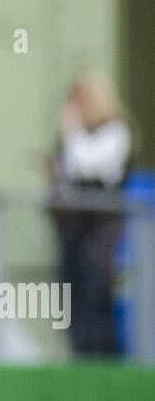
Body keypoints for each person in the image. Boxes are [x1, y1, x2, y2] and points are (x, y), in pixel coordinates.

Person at [48, 71, 133, 356]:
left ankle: (103, 356)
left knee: (96, 290)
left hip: (99, 231)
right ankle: (79, 352)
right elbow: (67, 172)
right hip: (73, 229)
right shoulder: (75, 137)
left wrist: (71, 131)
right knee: (72, 294)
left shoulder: (116, 131)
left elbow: (86, 165)